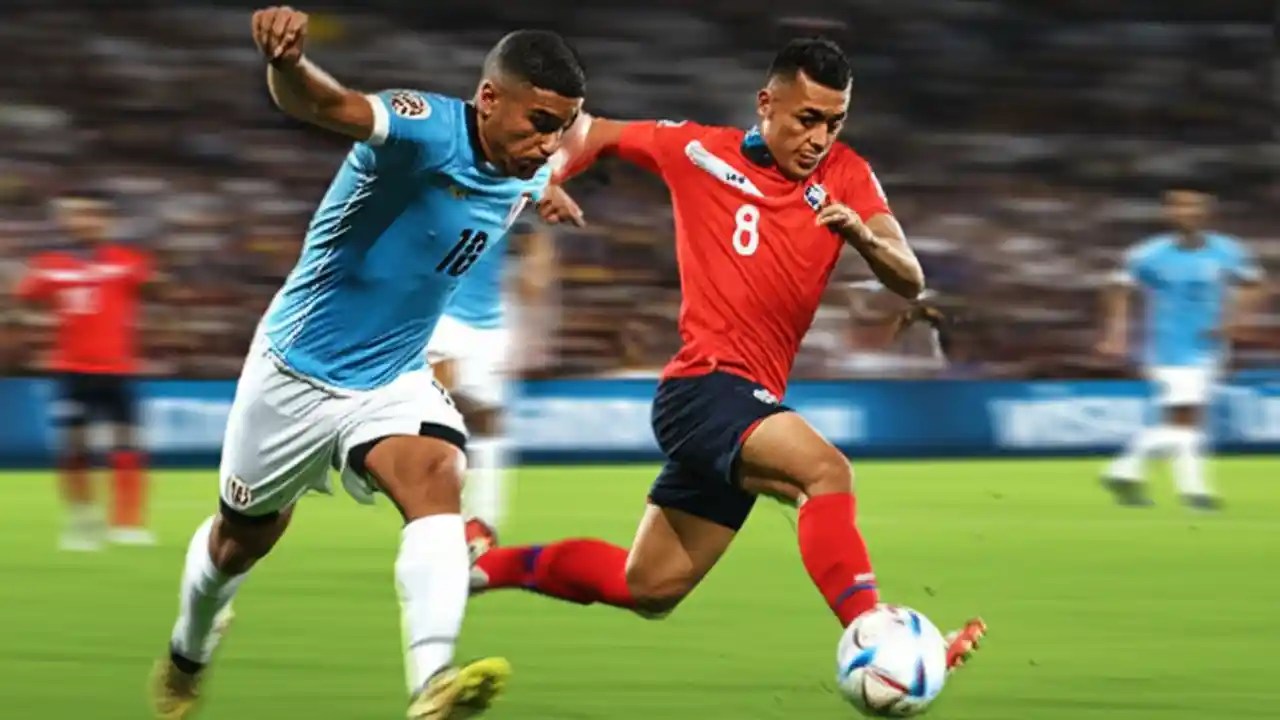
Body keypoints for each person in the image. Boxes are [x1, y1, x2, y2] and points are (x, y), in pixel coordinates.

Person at [467, 37, 986, 674]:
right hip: (705, 389)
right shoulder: (698, 150)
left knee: (649, 586)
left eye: (834, 122)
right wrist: (547, 176)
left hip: (742, 403)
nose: (819, 138)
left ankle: (482, 568)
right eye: (807, 119)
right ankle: (876, 635)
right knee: (826, 472)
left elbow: (909, 276)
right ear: (766, 104)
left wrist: (863, 238)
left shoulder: (847, 174)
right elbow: (589, 130)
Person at [148, 7, 586, 719]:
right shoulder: (424, 130)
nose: (549, 143)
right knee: (241, 540)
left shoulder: (522, 166)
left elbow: (522, 178)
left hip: (393, 374)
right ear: (488, 99)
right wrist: (288, 63)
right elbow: (326, 105)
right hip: (296, 371)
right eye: (540, 123)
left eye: (561, 128)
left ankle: (432, 683)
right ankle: (188, 647)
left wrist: (547, 190)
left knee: (438, 474)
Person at [1098, 188, 1264, 509]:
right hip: (1168, 346)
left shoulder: (1228, 250)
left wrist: (1234, 321)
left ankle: (1125, 470)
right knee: (1187, 420)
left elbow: (1255, 284)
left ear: (1208, 213)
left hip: (1210, 345)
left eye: (1195, 207)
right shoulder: (1148, 254)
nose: (1188, 213)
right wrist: (1116, 333)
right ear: (1168, 214)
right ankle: (1194, 491)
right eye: (1180, 207)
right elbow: (1117, 288)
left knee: (1179, 422)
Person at [15, 191, 155, 550]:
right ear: (65, 221)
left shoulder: (127, 261)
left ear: (106, 221)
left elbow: (153, 288)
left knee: (127, 446)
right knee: (74, 449)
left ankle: (127, 523)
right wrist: (36, 336)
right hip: (71, 371)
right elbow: (22, 298)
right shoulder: (49, 264)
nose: (84, 222)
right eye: (75, 215)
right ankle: (81, 522)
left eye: (91, 215)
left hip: (118, 369)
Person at [427, 220, 562, 534]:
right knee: (439, 412)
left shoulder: (507, 203)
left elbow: (534, 241)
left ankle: (484, 524)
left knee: (487, 425)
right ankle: (438, 518)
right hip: (438, 320)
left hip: (488, 326)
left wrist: (535, 275)